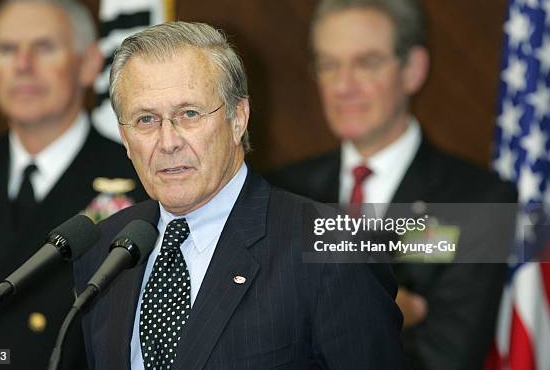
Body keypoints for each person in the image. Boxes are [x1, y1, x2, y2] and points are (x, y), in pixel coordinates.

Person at [73, 21, 403, 369]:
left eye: (189, 114)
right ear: (125, 138)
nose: (167, 142)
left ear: (237, 118)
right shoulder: (104, 249)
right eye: (145, 120)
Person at [267, 0, 518, 370]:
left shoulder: (480, 200)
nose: (342, 86)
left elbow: (446, 356)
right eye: (329, 65)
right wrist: (390, 307)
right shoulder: (279, 191)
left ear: (413, 69)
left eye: (366, 63)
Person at [0, 0, 145, 369]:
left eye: (44, 47)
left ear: (88, 65)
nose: (22, 64)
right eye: (6, 50)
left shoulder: (137, 178)